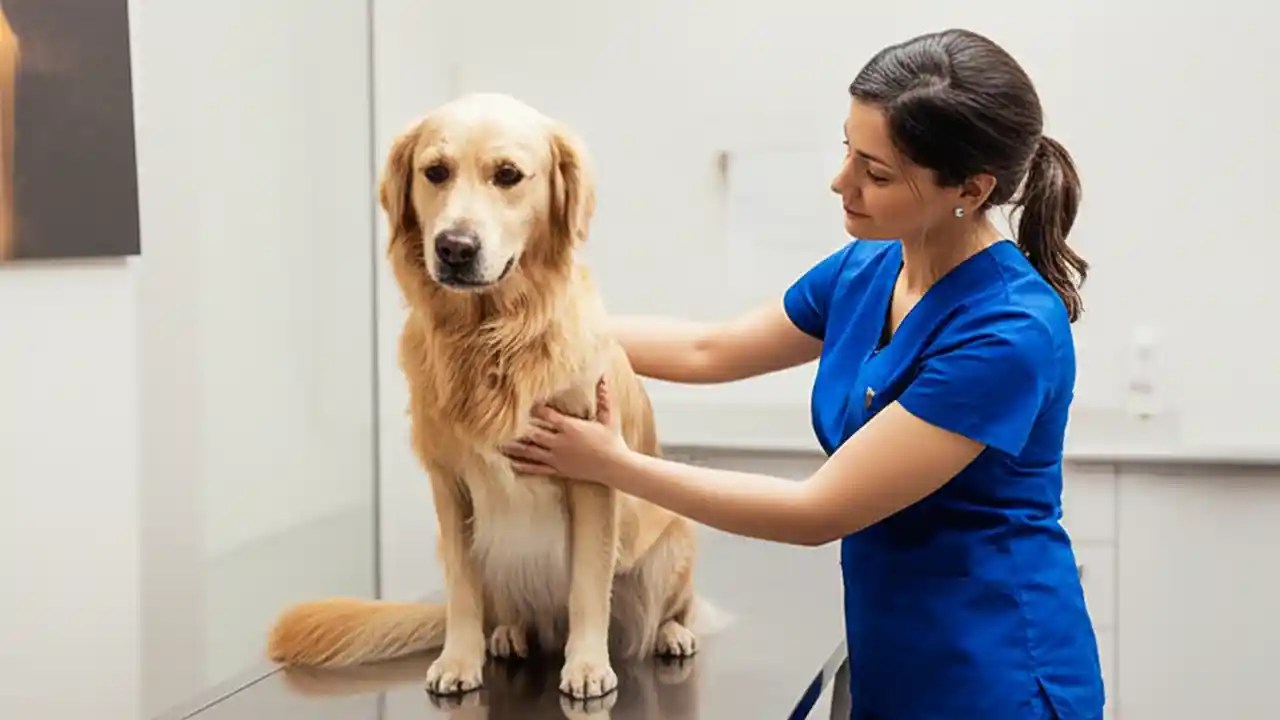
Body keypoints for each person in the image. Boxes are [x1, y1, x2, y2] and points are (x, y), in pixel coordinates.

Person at [503, 27, 1105, 720]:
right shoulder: (873, 266)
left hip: (994, 672)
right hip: (893, 650)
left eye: (876, 174)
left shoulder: (1006, 332)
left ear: (970, 189)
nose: (840, 181)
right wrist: (537, 333)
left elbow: (817, 512)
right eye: (849, 150)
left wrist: (612, 463)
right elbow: (712, 350)